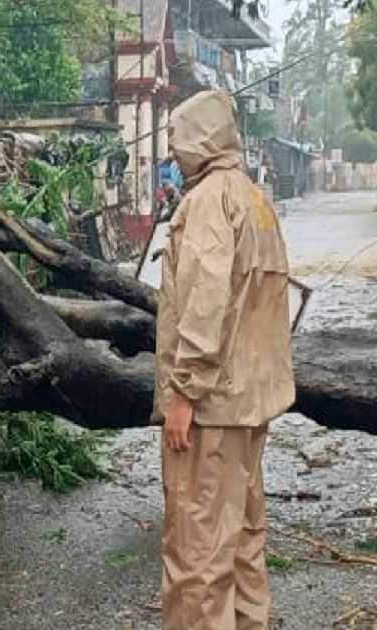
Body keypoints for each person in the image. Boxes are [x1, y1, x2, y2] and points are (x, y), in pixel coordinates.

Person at [155, 90, 295, 630]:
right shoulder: (255, 200)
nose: (172, 150)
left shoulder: (208, 202)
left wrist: (183, 394)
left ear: (199, 139)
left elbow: (206, 300)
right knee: (242, 544)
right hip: (250, 404)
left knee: (197, 556)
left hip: (210, 409)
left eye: (176, 138)